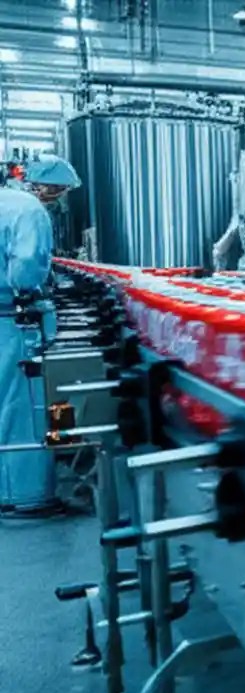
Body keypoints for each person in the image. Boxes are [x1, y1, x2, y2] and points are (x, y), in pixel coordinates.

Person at [0, 154, 80, 512]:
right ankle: (30, 496)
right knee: (27, 409)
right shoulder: (29, 209)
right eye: (60, 190)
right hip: (11, 323)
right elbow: (27, 270)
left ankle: (6, 491)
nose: (59, 197)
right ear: (46, 184)